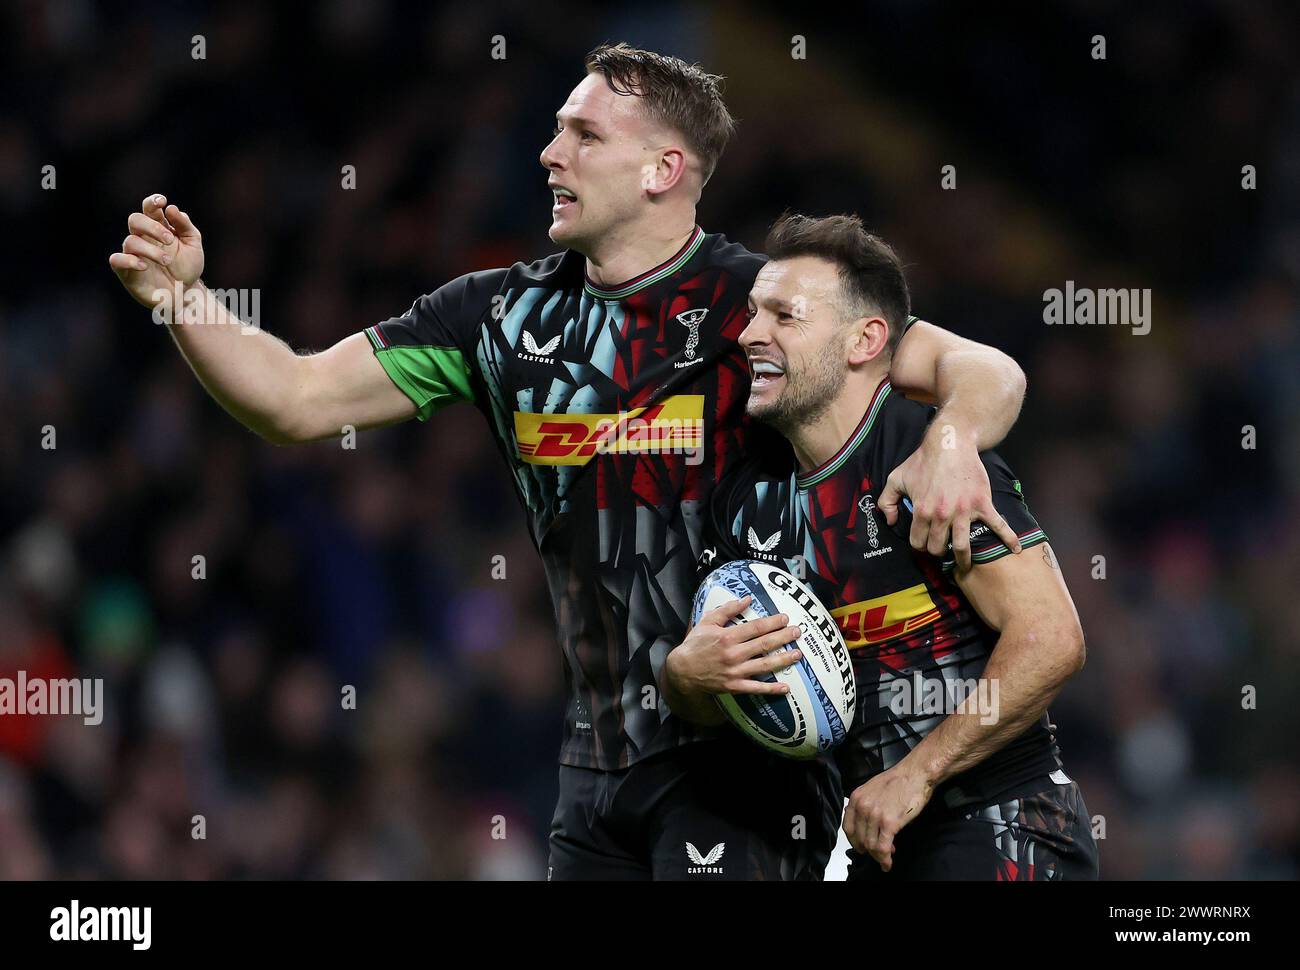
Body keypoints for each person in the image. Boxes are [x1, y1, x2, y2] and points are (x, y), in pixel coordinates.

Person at [109, 45, 1029, 880]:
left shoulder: (762, 308)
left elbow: (982, 368)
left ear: (664, 169)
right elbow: (297, 400)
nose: (550, 154)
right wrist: (183, 302)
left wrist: (951, 439)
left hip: (748, 767)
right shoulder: (495, 317)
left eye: (583, 134)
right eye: (554, 131)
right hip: (594, 768)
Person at [668, 212, 1098, 880]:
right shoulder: (746, 499)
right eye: (753, 314)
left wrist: (917, 775)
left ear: (865, 341)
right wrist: (686, 680)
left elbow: (1051, 639)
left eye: (785, 316)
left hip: (1003, 825)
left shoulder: (922, 453)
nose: (750, 335)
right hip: (879, 841)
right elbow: (729, 687)